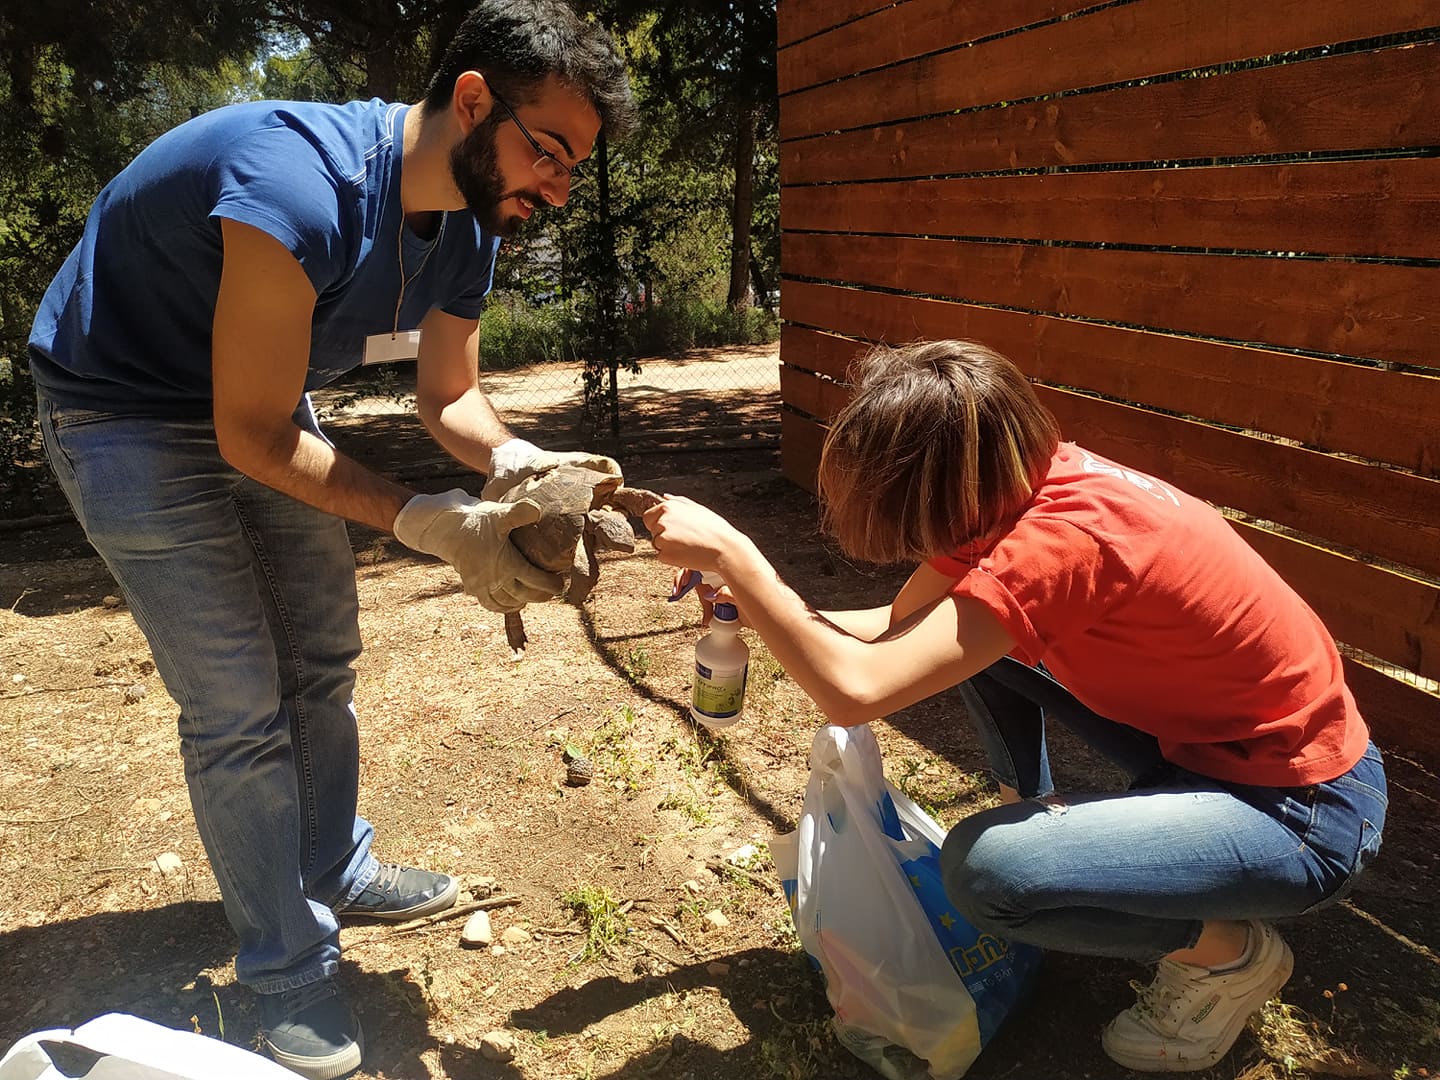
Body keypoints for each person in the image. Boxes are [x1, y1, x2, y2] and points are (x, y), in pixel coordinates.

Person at [27, 2, 636, 1076]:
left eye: (573, 167)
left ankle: (331, 866)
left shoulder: (471, 220)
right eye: (550, 151)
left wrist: (519, 468)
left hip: (253, 398)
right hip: (120, 406)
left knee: (322, 654)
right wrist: (426, 522)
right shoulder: (301, 184)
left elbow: (450, 398)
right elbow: (250, 435)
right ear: (473, 101)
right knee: (235, 702)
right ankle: (286, 973)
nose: (557, 184)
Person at [644, 339, 1387, 1073]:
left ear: (933, 486)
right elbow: (903, 631)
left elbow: (854, 692)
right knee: (979, 661)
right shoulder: (1012, 484)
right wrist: (759, 601)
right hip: (1213, 746)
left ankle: (1230, 957)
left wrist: (738, 556)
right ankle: (1046, 833)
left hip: (1304, 811)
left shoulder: (1061, 542)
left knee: (986, 875)